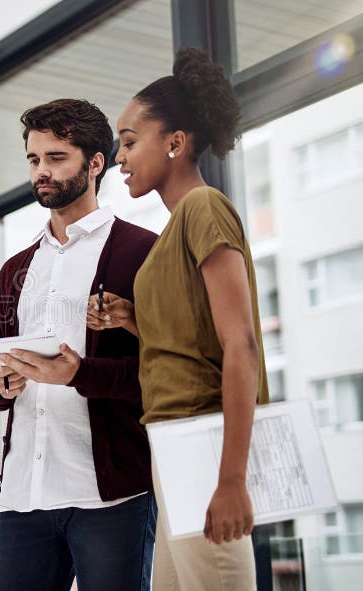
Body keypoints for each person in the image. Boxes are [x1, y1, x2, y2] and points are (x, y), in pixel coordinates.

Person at [87, 48, 269, 590]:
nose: (119, 157)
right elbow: (191, 338)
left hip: (204, 441)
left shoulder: (203, 208)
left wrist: (231, 478)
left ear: (174, 142)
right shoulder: (174, 231)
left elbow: (241, 345)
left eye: (129, 140)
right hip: (172, 439)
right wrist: (130, 318)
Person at [0, 99, 158, 591]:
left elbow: (160, 373)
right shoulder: (15, 269)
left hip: (111, 496)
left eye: (56, 158)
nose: (41, 172)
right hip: (22, 497)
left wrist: (78, 375)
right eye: (35, 160)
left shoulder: (142, 252)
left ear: (95, 163)